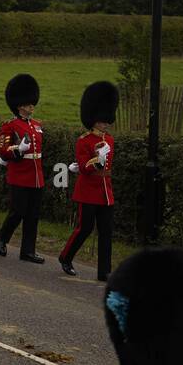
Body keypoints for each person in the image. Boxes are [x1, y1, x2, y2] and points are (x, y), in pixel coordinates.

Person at [60, 81, 118, 280]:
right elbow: (84, 167)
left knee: (106, 232)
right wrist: (98, 161)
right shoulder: (83, 141)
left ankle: (104, 271)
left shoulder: (109, 139)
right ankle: (65, 257)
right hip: (88, 190)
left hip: (105, 191)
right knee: (84, 229)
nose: (104, 123)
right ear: (92, 119)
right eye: (101, 120)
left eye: (106, 120)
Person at [0, 73, 46, 263]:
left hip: (36, 175)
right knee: (18, 211)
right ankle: (2, 237)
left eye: (32, 103)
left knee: (33, 214)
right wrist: (18, 149)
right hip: (19, 175)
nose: (31, 106)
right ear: (19, 105)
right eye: (28, 103)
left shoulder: (37, 125)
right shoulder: (9, 126)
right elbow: (3, 149)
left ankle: (28, 250)